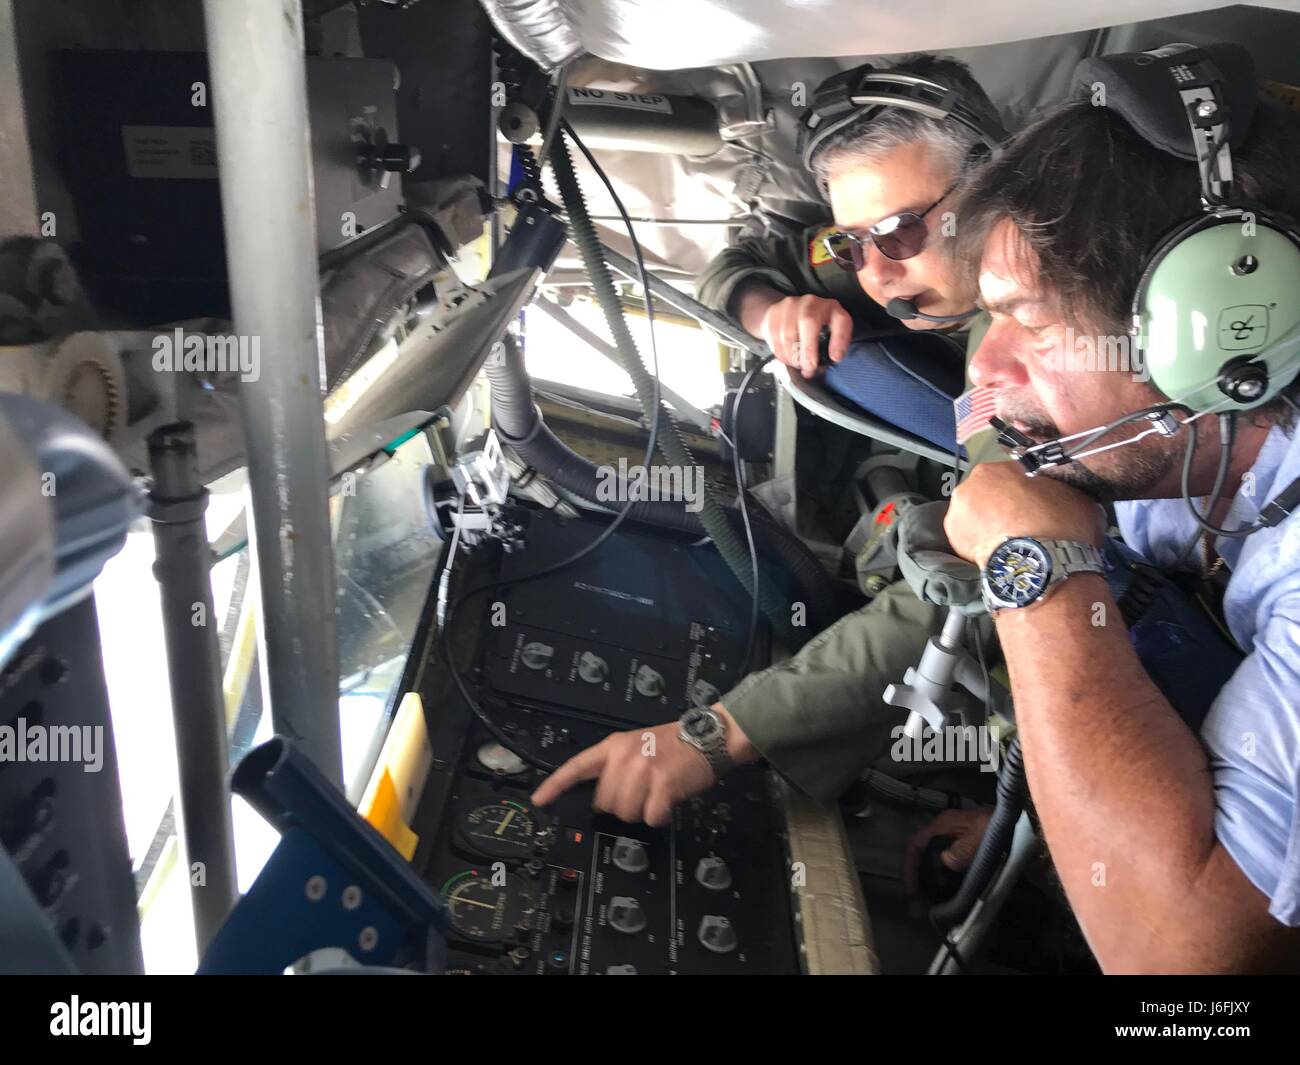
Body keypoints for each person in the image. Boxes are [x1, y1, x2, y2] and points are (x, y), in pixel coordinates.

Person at [532, 55, 1009, 825]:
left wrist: (714, 737)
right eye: (856, 244)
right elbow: (731, 270)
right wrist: (773, 312)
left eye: (901, 231)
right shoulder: (901, 262)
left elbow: (987, 586)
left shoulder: (1042, 343)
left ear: (992, 185)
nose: (878, 275)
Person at [932, 47, 1300, 971]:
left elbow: (1184, 967)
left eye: (1036, 321)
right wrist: (1075, 808)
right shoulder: (1172, 453)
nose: (984, 370)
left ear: (1212, 333)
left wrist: (1034, 563)